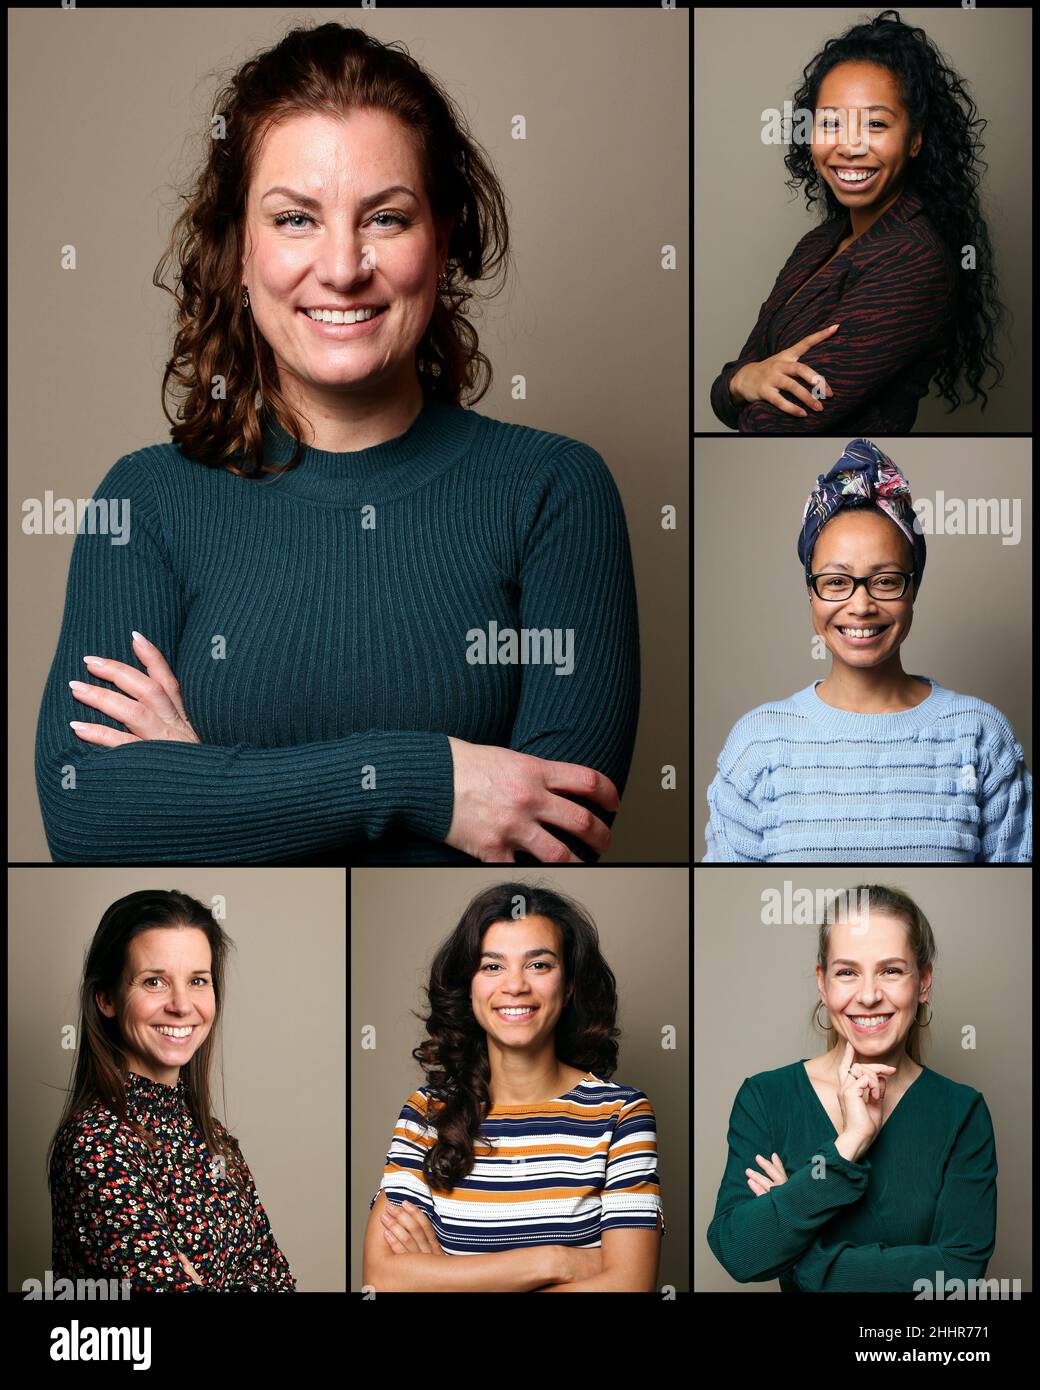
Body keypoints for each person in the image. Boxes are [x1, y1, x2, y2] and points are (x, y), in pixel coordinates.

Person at [35, 22, 639, 865]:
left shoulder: (554, 492)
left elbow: (551, 844)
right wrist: (425, 778)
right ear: (237, 249)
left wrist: (201, 782)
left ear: (443, 239)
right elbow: (88, 819)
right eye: (295, 219)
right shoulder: (143, 506)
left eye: (386, 218)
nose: (344, 266)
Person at [704, 440, 1031, 861]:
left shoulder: (982, 736)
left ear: (912, 589)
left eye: (886, 580)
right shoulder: (756, 744)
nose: (860, 605)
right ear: (811, 592)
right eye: (837, 581)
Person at [709, 12, 1006, 433]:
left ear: (916, 138)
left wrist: (740, 384)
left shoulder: (914, 259)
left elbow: (770, 423)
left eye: (876, 123)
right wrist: (742, 379)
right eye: (830, 122)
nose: (849, 146)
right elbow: (729, 388)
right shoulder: (818, 243)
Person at [362, 883, 663, 1292]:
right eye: (492, 966)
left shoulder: (622, 1114)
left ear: (569, 984)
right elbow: (381, 1279)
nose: (515, 985)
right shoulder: (426, 1113)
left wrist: (446, 1279)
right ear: (469, 988)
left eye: (539, 965)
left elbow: (630, 1286)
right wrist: (553, 1261)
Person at [707, 884, 997, 1292]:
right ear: (823, 984)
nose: (868, 995)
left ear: (924, 981)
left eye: (891, 970)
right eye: (847, 972)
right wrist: (849, 1145)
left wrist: (801, 1254)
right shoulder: (766, 1098)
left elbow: (959, 1272)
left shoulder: (962, 1112)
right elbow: (739, 1252)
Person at [47, 891, 296, 1292]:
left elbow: (280, 1282)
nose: (182, 1005)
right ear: (107, 999)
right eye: (154, 981)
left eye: (197, 980)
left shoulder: (215, 1139)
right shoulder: (96, 1143)